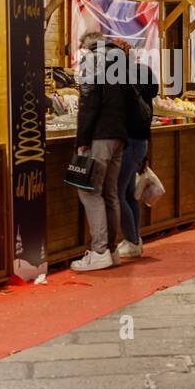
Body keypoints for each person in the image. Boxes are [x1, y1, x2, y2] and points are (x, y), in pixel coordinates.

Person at [70, 32, 132, 272]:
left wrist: (82, 138)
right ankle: (112, 250)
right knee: (110, 192)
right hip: (119, 134)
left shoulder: (92, 61)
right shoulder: (121, 60)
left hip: (99, 135)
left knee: (88, 191)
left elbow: (88, 101)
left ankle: (99, 251)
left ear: (85, 48)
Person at [114, 39, 157, 261]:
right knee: (129, 192)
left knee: (117, 191)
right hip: (140, 139)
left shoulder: (123, 78)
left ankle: (131, 240)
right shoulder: (145, 73)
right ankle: (135, 239)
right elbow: (150, 105)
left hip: (129, 140)